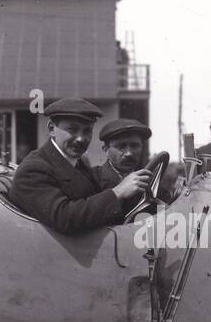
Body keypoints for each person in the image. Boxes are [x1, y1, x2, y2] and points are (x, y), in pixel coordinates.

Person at [9, 98, 150, 235]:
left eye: (87, 131)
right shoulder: (34, 169)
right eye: (73, 130)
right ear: (52, 129)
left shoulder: (77, 163)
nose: (81, 138)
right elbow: (64, 218)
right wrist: (118, 192)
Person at [94, 118, 176, 214]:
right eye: (121, 146)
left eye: (134, 146)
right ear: (106, 150)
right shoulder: (92, 180)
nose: (129, 153)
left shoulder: (154, 186)